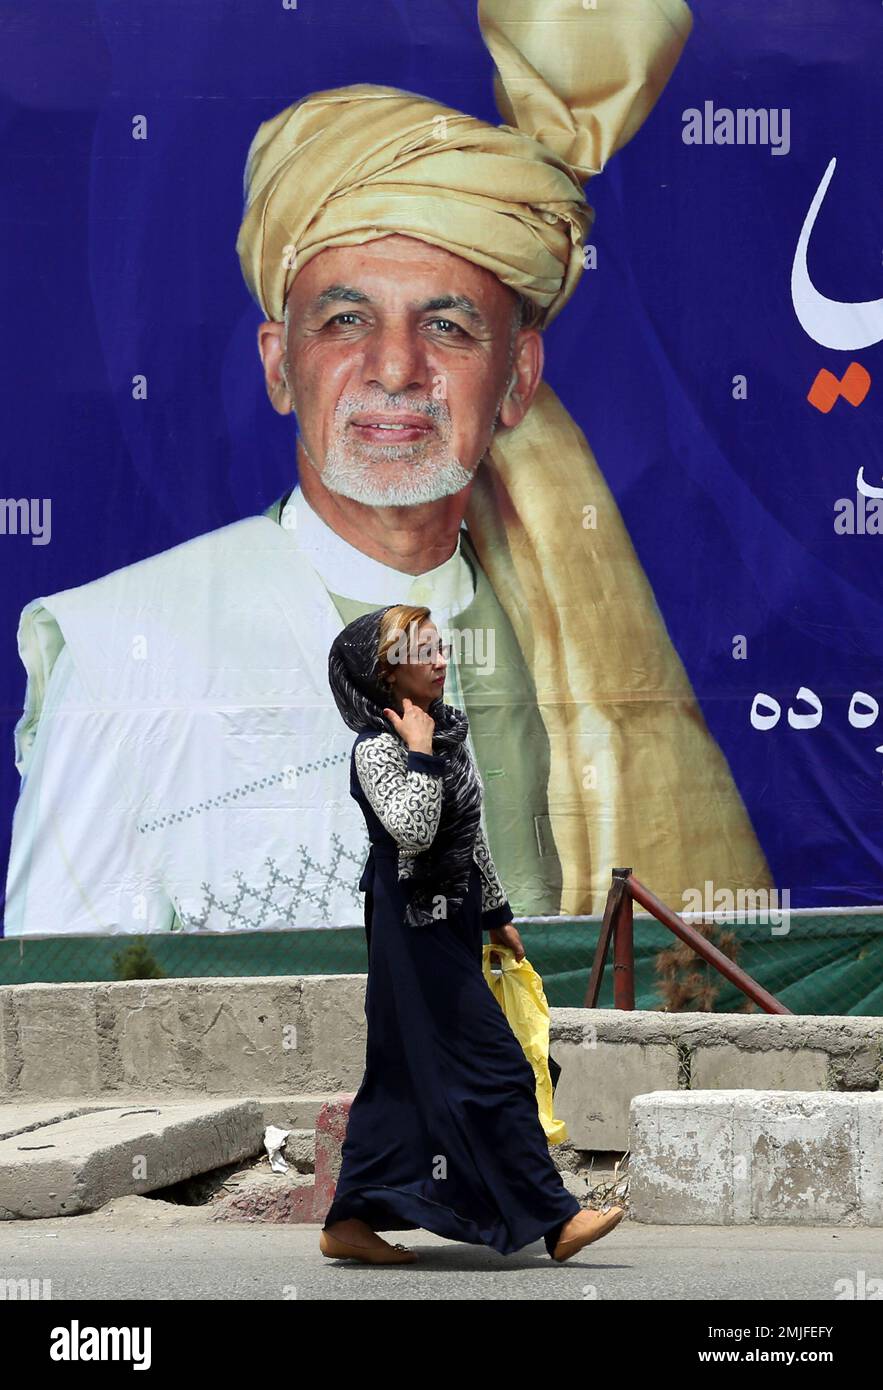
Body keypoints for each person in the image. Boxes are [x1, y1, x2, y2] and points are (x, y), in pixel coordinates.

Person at [4, 0, 772, 939]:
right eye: (344, 320)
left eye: (446, 326)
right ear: (279, 367)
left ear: (517, 378)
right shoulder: (128, 651)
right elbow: (53, 1027)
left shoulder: (576, 644)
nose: (396, 368)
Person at [320, 602, 625, 1264]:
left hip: (452, 922)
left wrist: (496, 915)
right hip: (410, 930)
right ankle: (556, 1218)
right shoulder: (375, 749)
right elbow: (414, 830)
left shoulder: (446, 733)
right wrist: (421, 753)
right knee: (499, 1069)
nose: (440, 659)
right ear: (386, 672)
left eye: (439, 646)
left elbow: (466, 836)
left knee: (399, 1078)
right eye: (423, 651)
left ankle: (349, 1220)